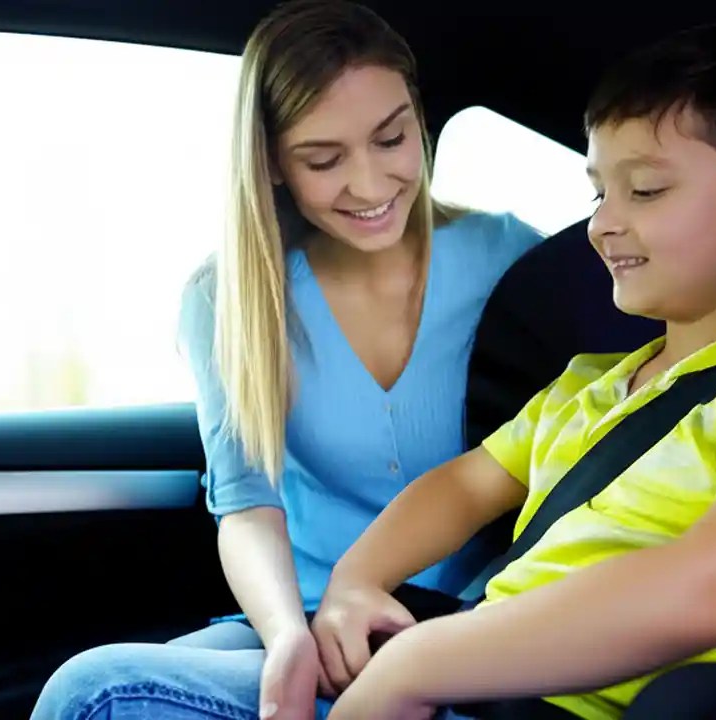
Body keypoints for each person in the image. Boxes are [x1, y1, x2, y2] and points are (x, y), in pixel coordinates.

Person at [313, 22, 716, 720]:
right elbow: (461, 487)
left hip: (576, 705)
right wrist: (357, 579)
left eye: (646, 191)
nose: (601, 224)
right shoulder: (587, 383)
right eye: (599, 193)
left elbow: (712, 589)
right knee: (130, 676)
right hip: (474, 677)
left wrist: (415, 667)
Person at [29, 1, 543, 718]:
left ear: (418, 121)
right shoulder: (231, 298)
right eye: (324, 160)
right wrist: (287, 641)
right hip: (298, 623)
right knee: (95, 696)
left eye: (391, 140)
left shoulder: (514, 259)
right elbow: (246, 505)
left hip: (471, 629)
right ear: (271, 162)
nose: (369, 186)